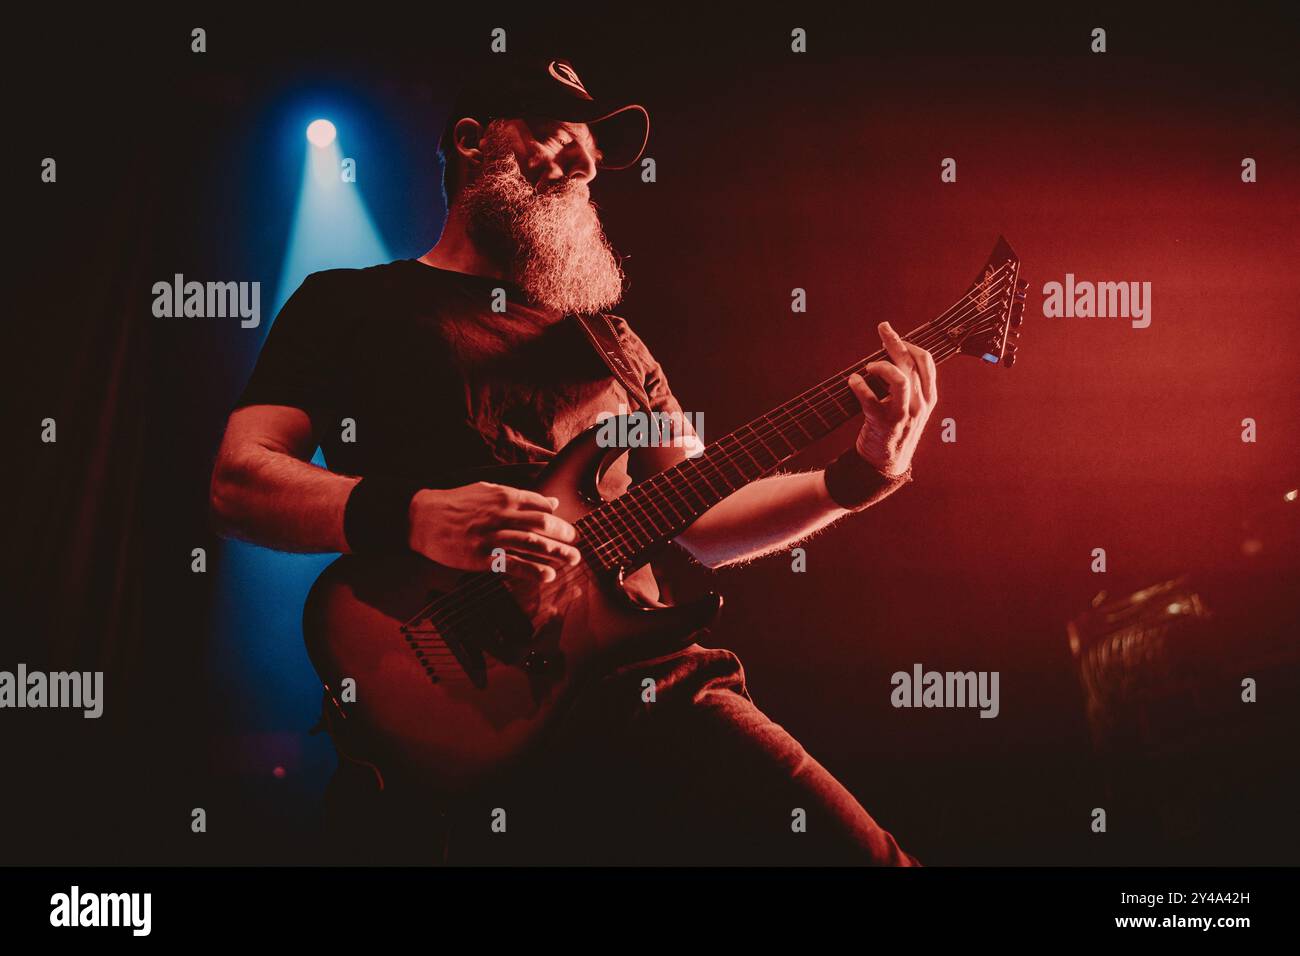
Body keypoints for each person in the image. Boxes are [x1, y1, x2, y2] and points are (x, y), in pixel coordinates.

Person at [210, 55, 936, 865]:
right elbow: (241, 477)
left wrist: (862, 472)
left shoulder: (614, 345)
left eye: (590, 156)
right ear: (472, 141)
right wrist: (413, 515)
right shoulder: (349, 305)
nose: (585, 164)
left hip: (649, 689)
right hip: (459, 706)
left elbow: (700, 522)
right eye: (557, 136)